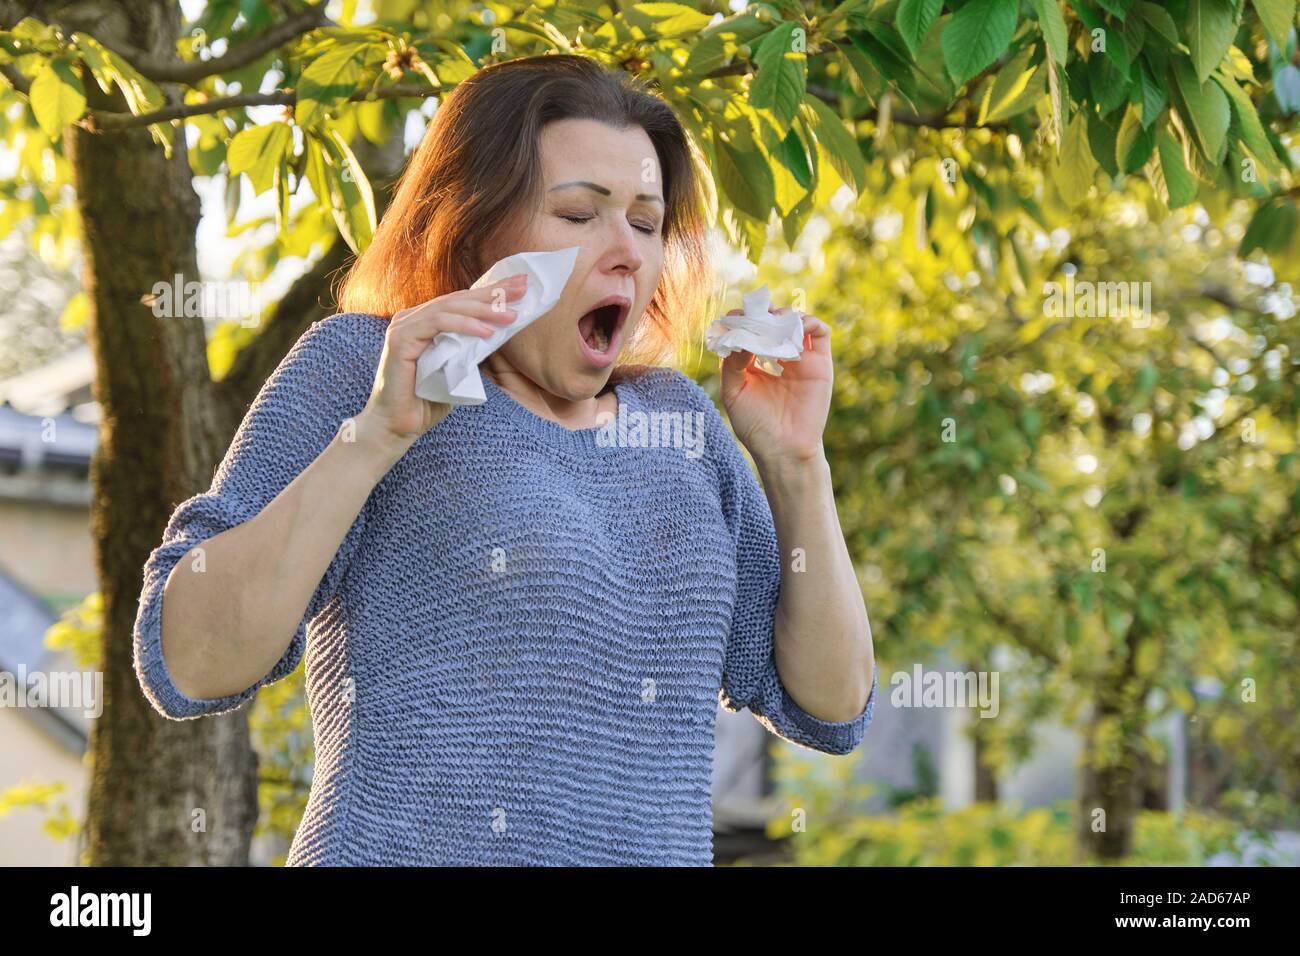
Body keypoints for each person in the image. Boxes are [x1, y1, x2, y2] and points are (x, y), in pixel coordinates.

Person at [133, 53, 877, 866]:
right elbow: (190, 663)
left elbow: (831, 706)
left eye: (645, 221)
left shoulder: (682, 424)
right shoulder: (367, 368)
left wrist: (798, 463)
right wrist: (377, 434)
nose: (626, 250)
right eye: (578, 214)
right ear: (475, 225)